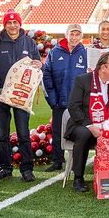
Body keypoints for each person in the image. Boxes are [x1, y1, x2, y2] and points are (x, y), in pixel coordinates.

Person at [0, 10, 43, 182]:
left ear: (20, 24)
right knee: (2, 135)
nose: (12, 25)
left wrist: (38, 64)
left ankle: (27, 169)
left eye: (15, 22)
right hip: (2, 96)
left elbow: (37, 63)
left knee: (23, 133)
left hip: (21, 96)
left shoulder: (29, 42)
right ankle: (5, 168)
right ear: (5, 25)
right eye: (9, 23)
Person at [66, 53, 109, 192]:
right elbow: (73, 106)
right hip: (82, 124)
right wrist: (90, 126)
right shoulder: (83, 80)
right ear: (103, 68)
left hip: (108, 126)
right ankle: (78, 178)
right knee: (84, 134)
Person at [41, 23, 88, 172]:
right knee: (57, 132)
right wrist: (52, 100)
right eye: (71, 34)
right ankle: (57, 160)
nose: (74, 37)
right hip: (60, 101)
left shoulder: (86, 53)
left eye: (77, 34)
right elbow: (46, 75)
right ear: (66, 35)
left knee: (80, 132)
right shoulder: (55, 52)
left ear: (81, 36)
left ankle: (77, 162)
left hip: (79, 103)